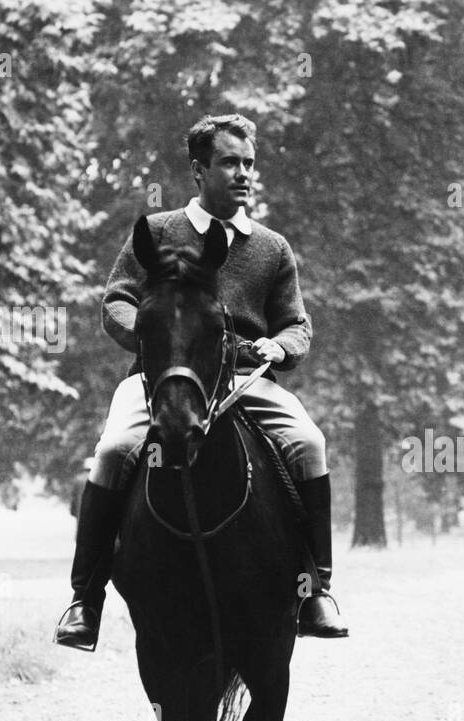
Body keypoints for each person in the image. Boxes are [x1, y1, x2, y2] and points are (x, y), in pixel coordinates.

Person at [54, 113, 348, 650]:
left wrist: (279, 346)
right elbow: (117, 298)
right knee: (115, 450)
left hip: (243, 377)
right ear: (198, 170)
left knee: (310, 443)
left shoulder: (271, 248)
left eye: (249, 164)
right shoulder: (158, 231)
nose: (243, 175)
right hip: (163, 376)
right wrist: (145, 338)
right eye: (230, 162)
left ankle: (315, 590)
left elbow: (296, 323)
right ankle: (85, 599)